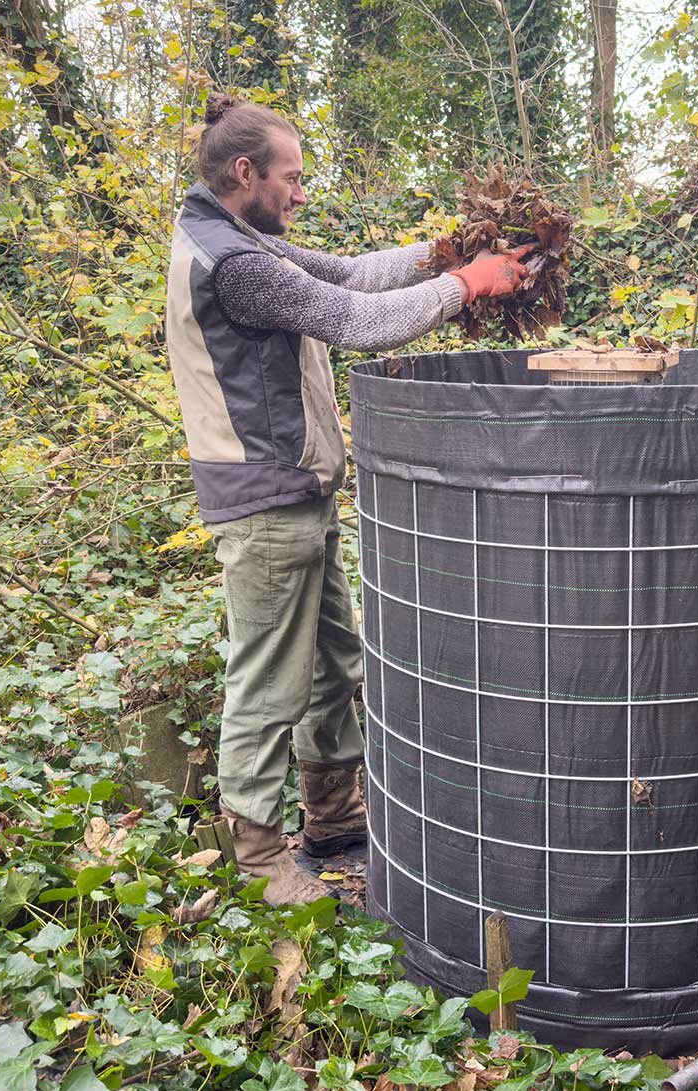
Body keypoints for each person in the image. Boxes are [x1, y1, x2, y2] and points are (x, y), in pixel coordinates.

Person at [164, 93, 531, 905]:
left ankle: (332, 816)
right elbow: (356, 318)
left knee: (332, 666)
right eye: (291, 179)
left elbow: (354, 273)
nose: (301, 193)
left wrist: (439, 253)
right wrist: (465, 287)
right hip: (262, 506)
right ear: (245, 172)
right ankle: (258, 858)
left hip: (295, 496)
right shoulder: (237, 267)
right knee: (268, 682)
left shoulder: (244, 237)